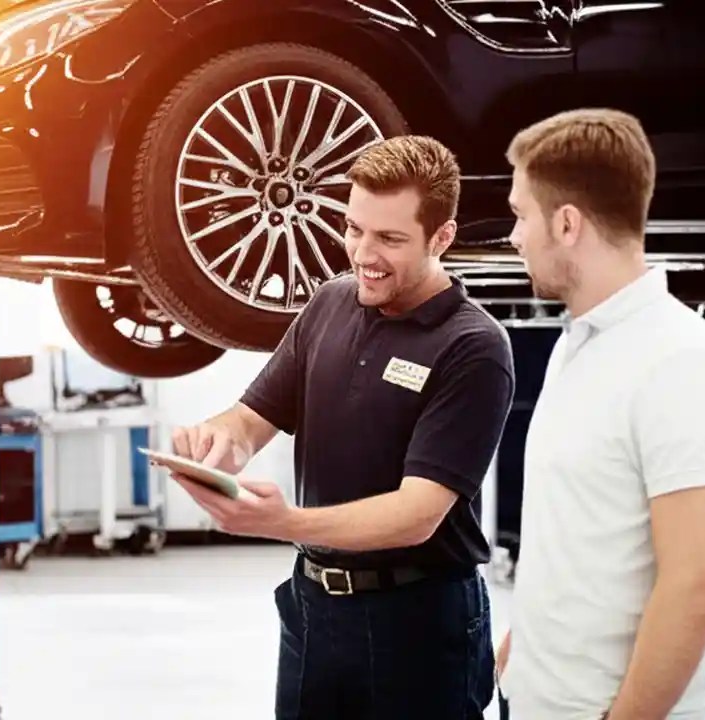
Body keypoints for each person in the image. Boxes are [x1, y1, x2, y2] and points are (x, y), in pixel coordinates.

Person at [167, 135, 515, 719]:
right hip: (314, 612)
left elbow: (417, 514)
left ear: (442, 237)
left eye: (390, 239)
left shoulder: (473, 346)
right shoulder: (329, 304)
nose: (363, 253)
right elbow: (250, 420)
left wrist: (283, 522)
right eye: (354, 228)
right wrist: (217, 445)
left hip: (419, 623)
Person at [494, 108, 705, 719]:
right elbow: (579, 532)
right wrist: (521, 651)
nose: (514, 237)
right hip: (535, 698)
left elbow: (697, 584)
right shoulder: (577, 346)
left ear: (567, 224)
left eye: (520, 215)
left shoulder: (680, 361)